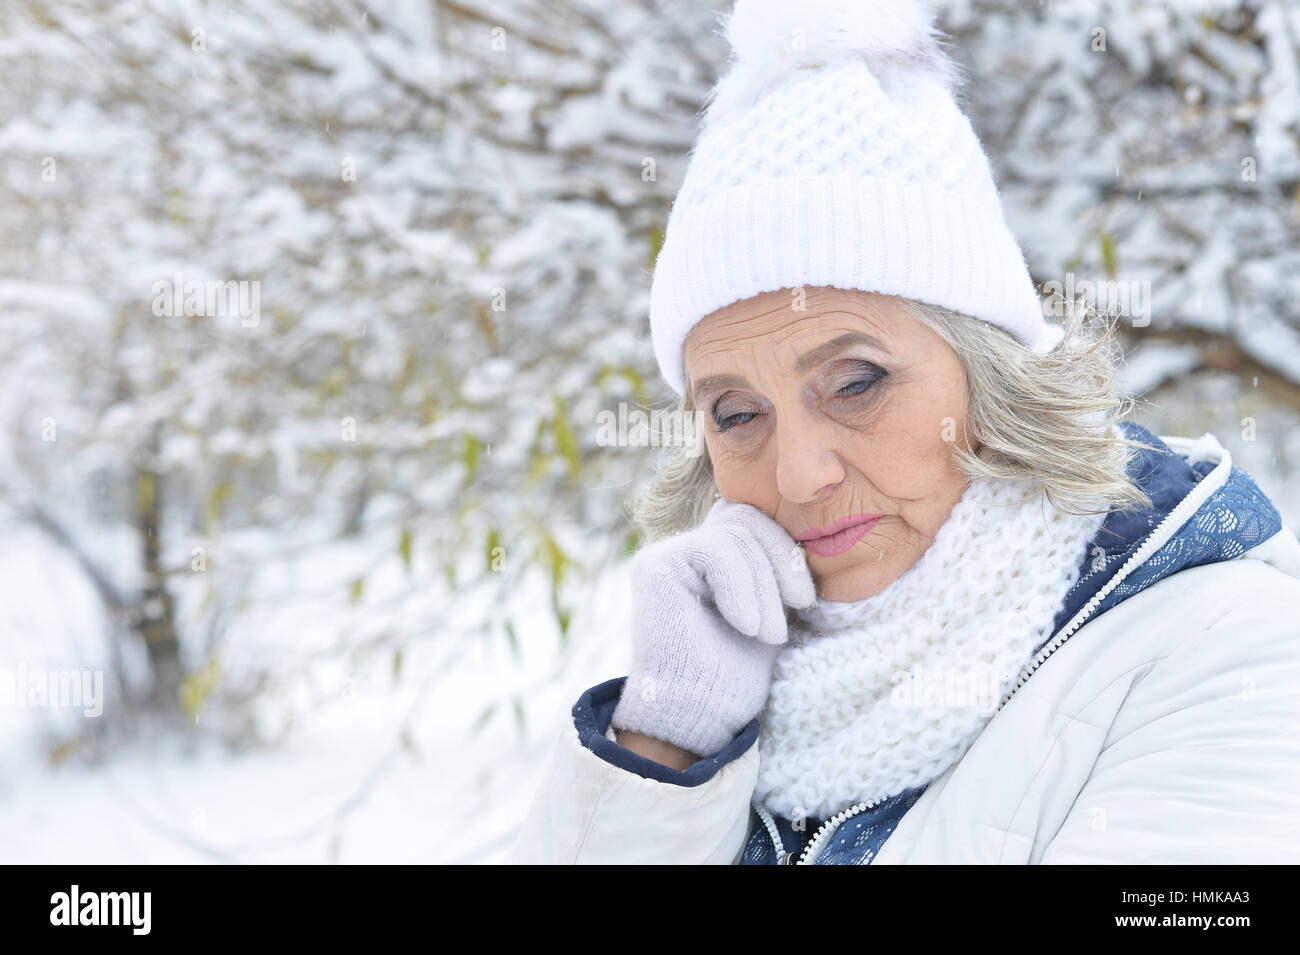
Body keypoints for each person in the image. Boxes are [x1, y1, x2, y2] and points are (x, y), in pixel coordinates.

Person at [505, 0, 1300, 864]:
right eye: (737, 414)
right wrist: (668, 742)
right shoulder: (738, 691)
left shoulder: (1226, 654)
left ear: (991, 373)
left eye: (856, 383)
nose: (801, 474)